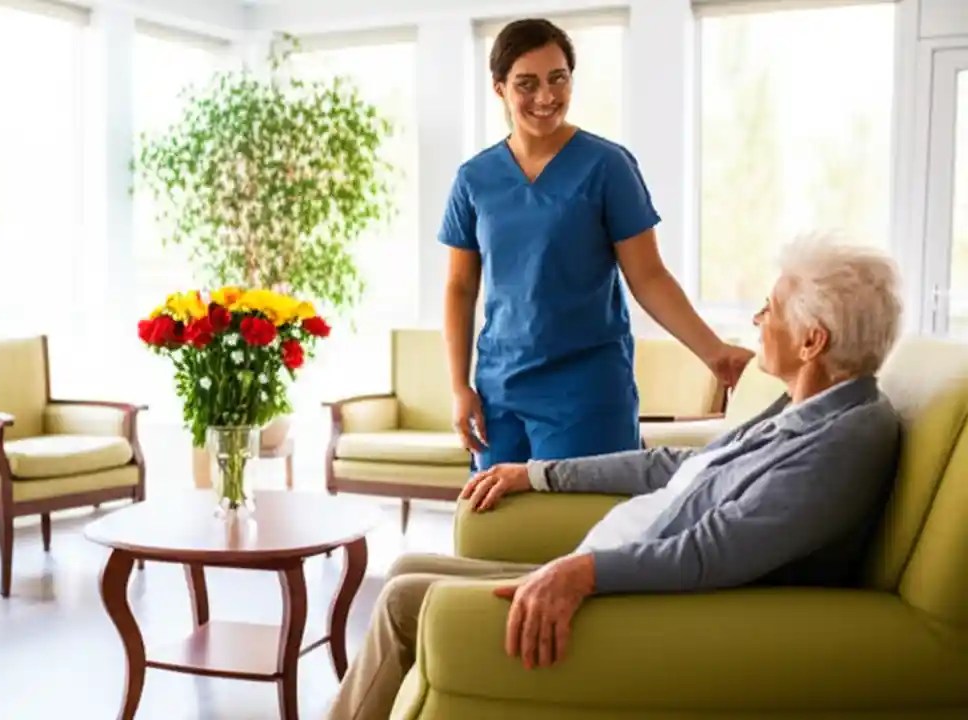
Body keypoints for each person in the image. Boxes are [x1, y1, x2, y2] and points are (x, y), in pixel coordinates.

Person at [327, 234, 904, 719]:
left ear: (813, 341)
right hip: (621, 565)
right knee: (407, 567)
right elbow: (675, 465)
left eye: (770, 310)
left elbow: (713, 551)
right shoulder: (803, 410)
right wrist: (538, 474)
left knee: (405, 600)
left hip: (646, 607)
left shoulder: (847, 440)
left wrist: (581, 573)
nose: (757, 320)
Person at [443, 18, 753, 467]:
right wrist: (459, 386)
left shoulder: (608, 167)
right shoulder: (474, 179)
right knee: (494, 529)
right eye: (526, 84)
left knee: (583, 531)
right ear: (500, 89)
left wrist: (714, 352)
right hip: (499, 392)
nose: (546, 97)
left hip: (585, 391)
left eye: (558, 79)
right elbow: (459, 286)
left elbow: (647, 276)